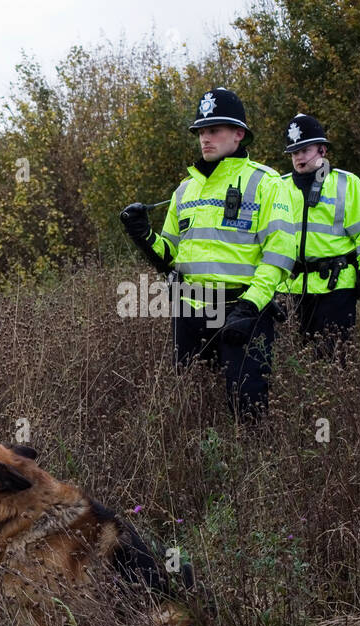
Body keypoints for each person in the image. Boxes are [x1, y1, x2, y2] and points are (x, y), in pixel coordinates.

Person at [120, 87, 295, 419]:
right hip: (191, 310)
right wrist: (143, 235)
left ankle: (251, 467)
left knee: (247, 407)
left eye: (214, 130)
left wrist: (251, 305)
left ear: (238, 134)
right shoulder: (185, 189)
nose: (206, 138)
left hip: (244, 310)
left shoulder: (267, 183)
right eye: (202, 131)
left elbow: (279, 253)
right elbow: (170, 253)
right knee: (192, 404)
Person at [273, 113, 360, 361]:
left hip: (335, 288)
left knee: (333, 362)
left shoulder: (346, 183)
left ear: (322, 149)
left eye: (304, 150)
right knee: (294, 362)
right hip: (291, 288)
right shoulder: (279, 186)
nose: (298, 157)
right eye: (294, 152)